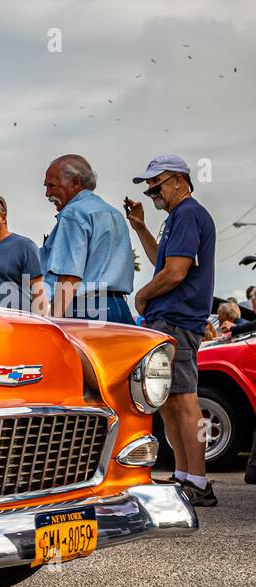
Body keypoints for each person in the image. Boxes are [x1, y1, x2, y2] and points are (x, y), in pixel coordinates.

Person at [124, 154, 217, 506]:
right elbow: (160, 262)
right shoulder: (179, 218)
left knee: (184, 399)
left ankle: (198, 481)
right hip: (172, 318)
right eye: (149, 188)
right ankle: (184, 476)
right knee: (170, 400)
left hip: (177, 318)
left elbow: (175, 272)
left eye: (156, 184)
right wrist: (141, 227)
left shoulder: (189, 214)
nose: (151, 192)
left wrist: (142, 295)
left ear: (179, 180)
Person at [40, 154, 136, 323]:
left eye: (52, 185)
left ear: (76, 182)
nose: (48, 193)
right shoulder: (115, 214)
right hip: (120, 308)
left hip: (88, 310)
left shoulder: (74, 213)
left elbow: (69, 277)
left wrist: (52, 323)